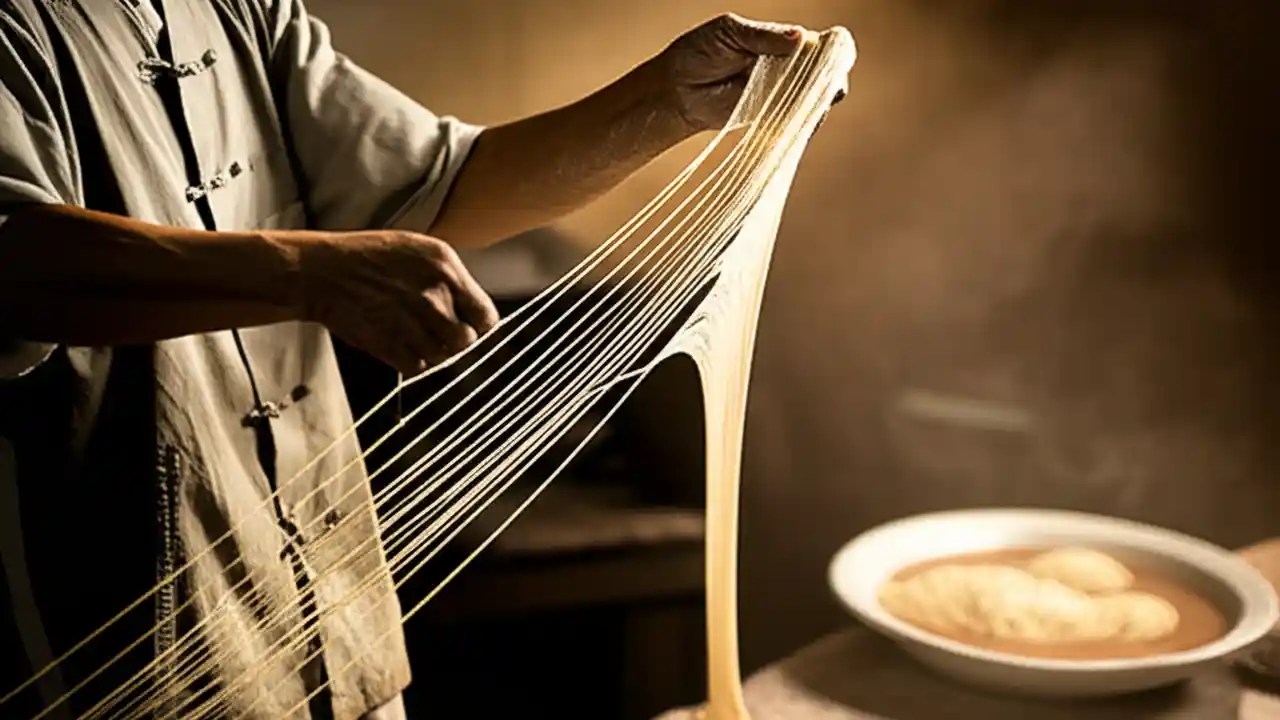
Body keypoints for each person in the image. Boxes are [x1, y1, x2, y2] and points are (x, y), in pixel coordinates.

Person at [0, 2, 805, 718]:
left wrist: (668, 99)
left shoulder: (237, 12)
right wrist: (308, 274)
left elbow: (445, 186)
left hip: (334, 625)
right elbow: (16, 265)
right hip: (124, 651)